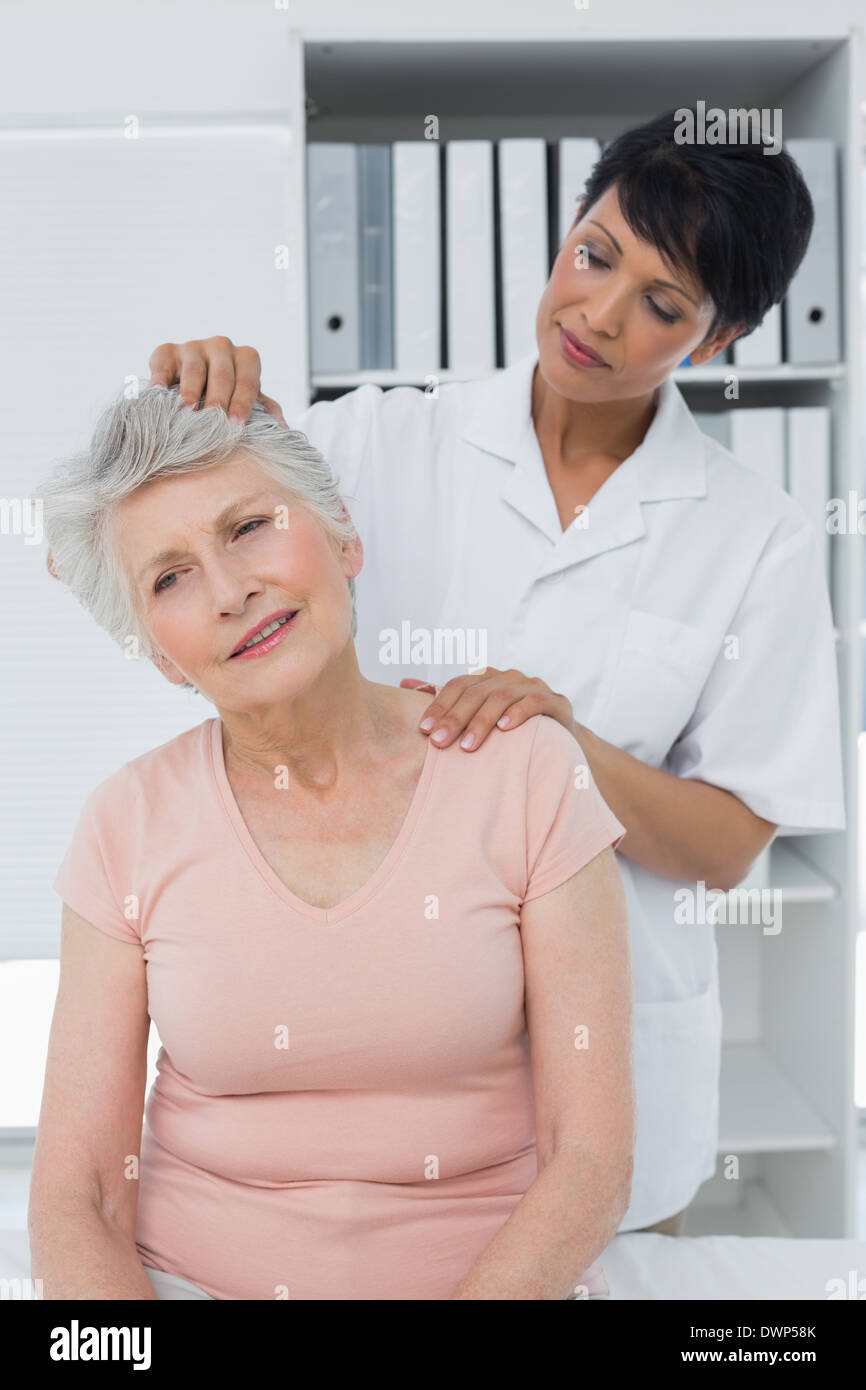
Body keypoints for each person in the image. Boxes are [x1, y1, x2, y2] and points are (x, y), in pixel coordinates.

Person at [145, 107, 846, 1235]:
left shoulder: (752, 536)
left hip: (613, 1093)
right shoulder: (377, 443)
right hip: (382, 1062)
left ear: (713, 343)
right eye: (594, 255)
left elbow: (727, 845)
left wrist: (563, 748)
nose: (597, 316)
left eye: (661, 306)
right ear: (570, 226)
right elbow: (207, 543)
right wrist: (201, 408)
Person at [30, 386, 632, 1300]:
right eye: (170, 577)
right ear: (158, 652)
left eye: (248, 528)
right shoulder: (126, 824)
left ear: (344, 537)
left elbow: (589, 1162)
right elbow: (79, 1199)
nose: (232, 591)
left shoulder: (527, 773)